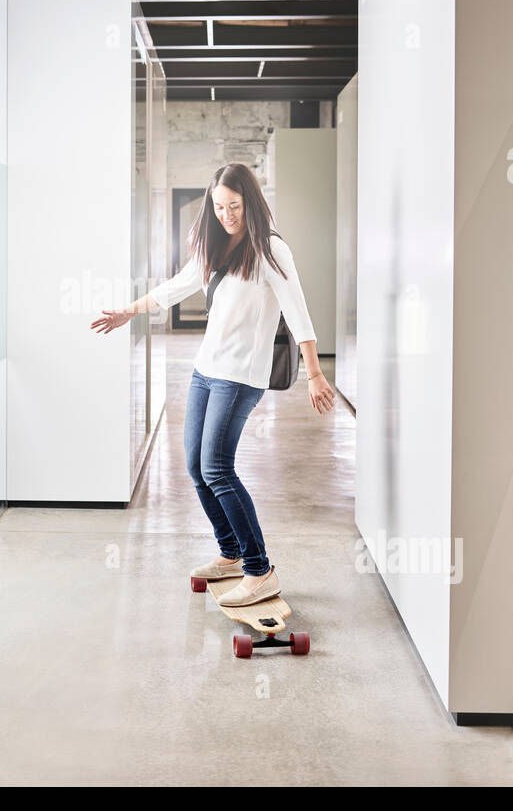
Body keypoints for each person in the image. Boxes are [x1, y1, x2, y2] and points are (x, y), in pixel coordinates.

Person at [90, 163, 334, 607]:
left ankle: (259, 570)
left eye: (234, 206)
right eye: (219, 206)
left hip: (241, 377)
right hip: (205, 370)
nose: (226, 215)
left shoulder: (271, 250)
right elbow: (178, 285)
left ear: (251, 204)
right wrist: (130, 310)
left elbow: (298, 312)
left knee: (218, 469)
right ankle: (231, 554)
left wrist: (315, 373)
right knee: (195, 469)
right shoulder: (216, 246)